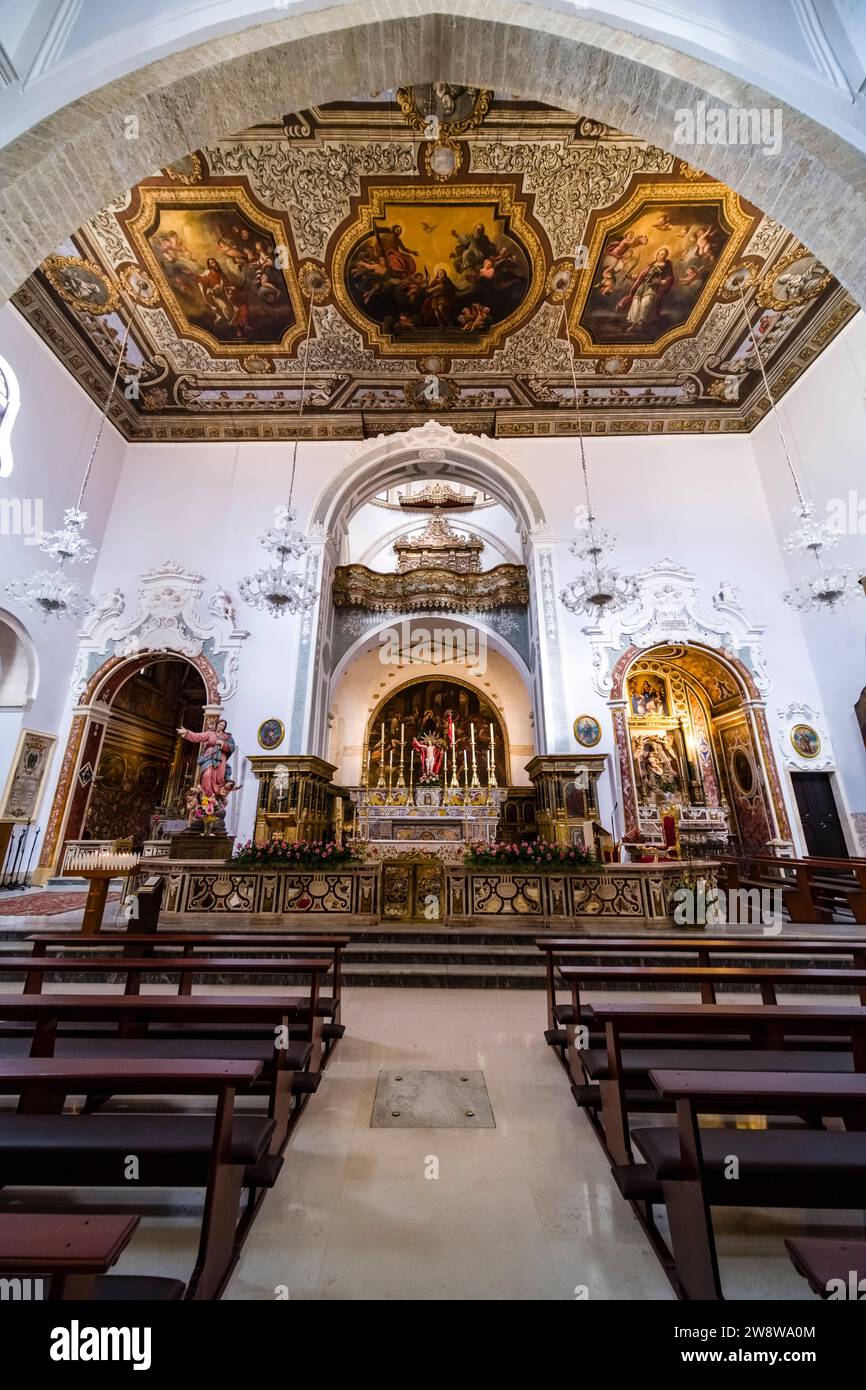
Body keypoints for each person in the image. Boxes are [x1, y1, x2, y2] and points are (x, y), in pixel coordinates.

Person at [177, 719, 236, 798]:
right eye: (220, 724)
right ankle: (206, 795)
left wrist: (222, 743)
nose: (220, 726)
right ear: (217, 724)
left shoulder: (227, 737)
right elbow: (198, 736)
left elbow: (232, 747)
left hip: (220, 759)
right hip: (208, 757)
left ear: (224, 728)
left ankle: (215, 797)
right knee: (206, 775)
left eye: (222, 726)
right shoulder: (210, 734)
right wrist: (187, 733)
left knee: (218, 779)